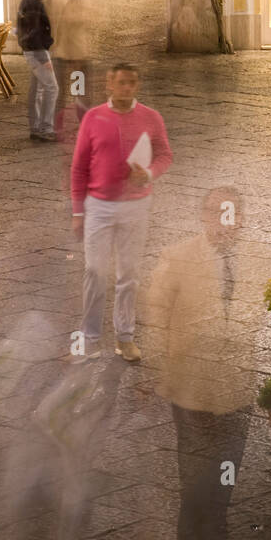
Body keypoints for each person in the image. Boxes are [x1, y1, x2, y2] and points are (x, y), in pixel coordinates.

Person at [146, 185, 254, 540]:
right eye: (215, 213)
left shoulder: (257, 259)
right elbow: (155, 314)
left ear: (241, 218)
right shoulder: (177, 258)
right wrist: (155, 366)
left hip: (236, 384)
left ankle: (217, 532)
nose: (224, 221)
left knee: (227, 466)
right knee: (194, 470)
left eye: (231, 213)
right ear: (204, 218)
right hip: (190, 383)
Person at [70, 64, 173, 364]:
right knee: (95, 271)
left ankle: (124, 337)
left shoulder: (151, 118)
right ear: (109, 85)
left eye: (132, 82)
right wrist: (78, 212)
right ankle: (89, 337)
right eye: (121, 83)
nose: (127, 88)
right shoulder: (93, 118)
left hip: (136, 206)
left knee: (129, 274)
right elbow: (79, 168)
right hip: (99, 206)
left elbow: (165, 154)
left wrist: (150, 173)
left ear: (137, 85)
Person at [16, 0, 59, 141]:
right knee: (52, 88)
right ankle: (45, 129)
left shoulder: (29, 0)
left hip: (32, 50)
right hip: (36, 51)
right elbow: (33, 31)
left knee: (37, 89)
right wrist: (43, 58)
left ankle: (35, 127)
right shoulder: (32, 2)